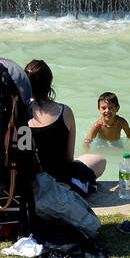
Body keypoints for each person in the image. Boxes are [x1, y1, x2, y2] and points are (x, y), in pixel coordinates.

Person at [24, 59, 106, 194]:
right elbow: (69, 158)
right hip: (60, 183)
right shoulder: (64, 112)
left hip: (29, 183)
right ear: (50, 82)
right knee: (100, 160)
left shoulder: (17, 113)